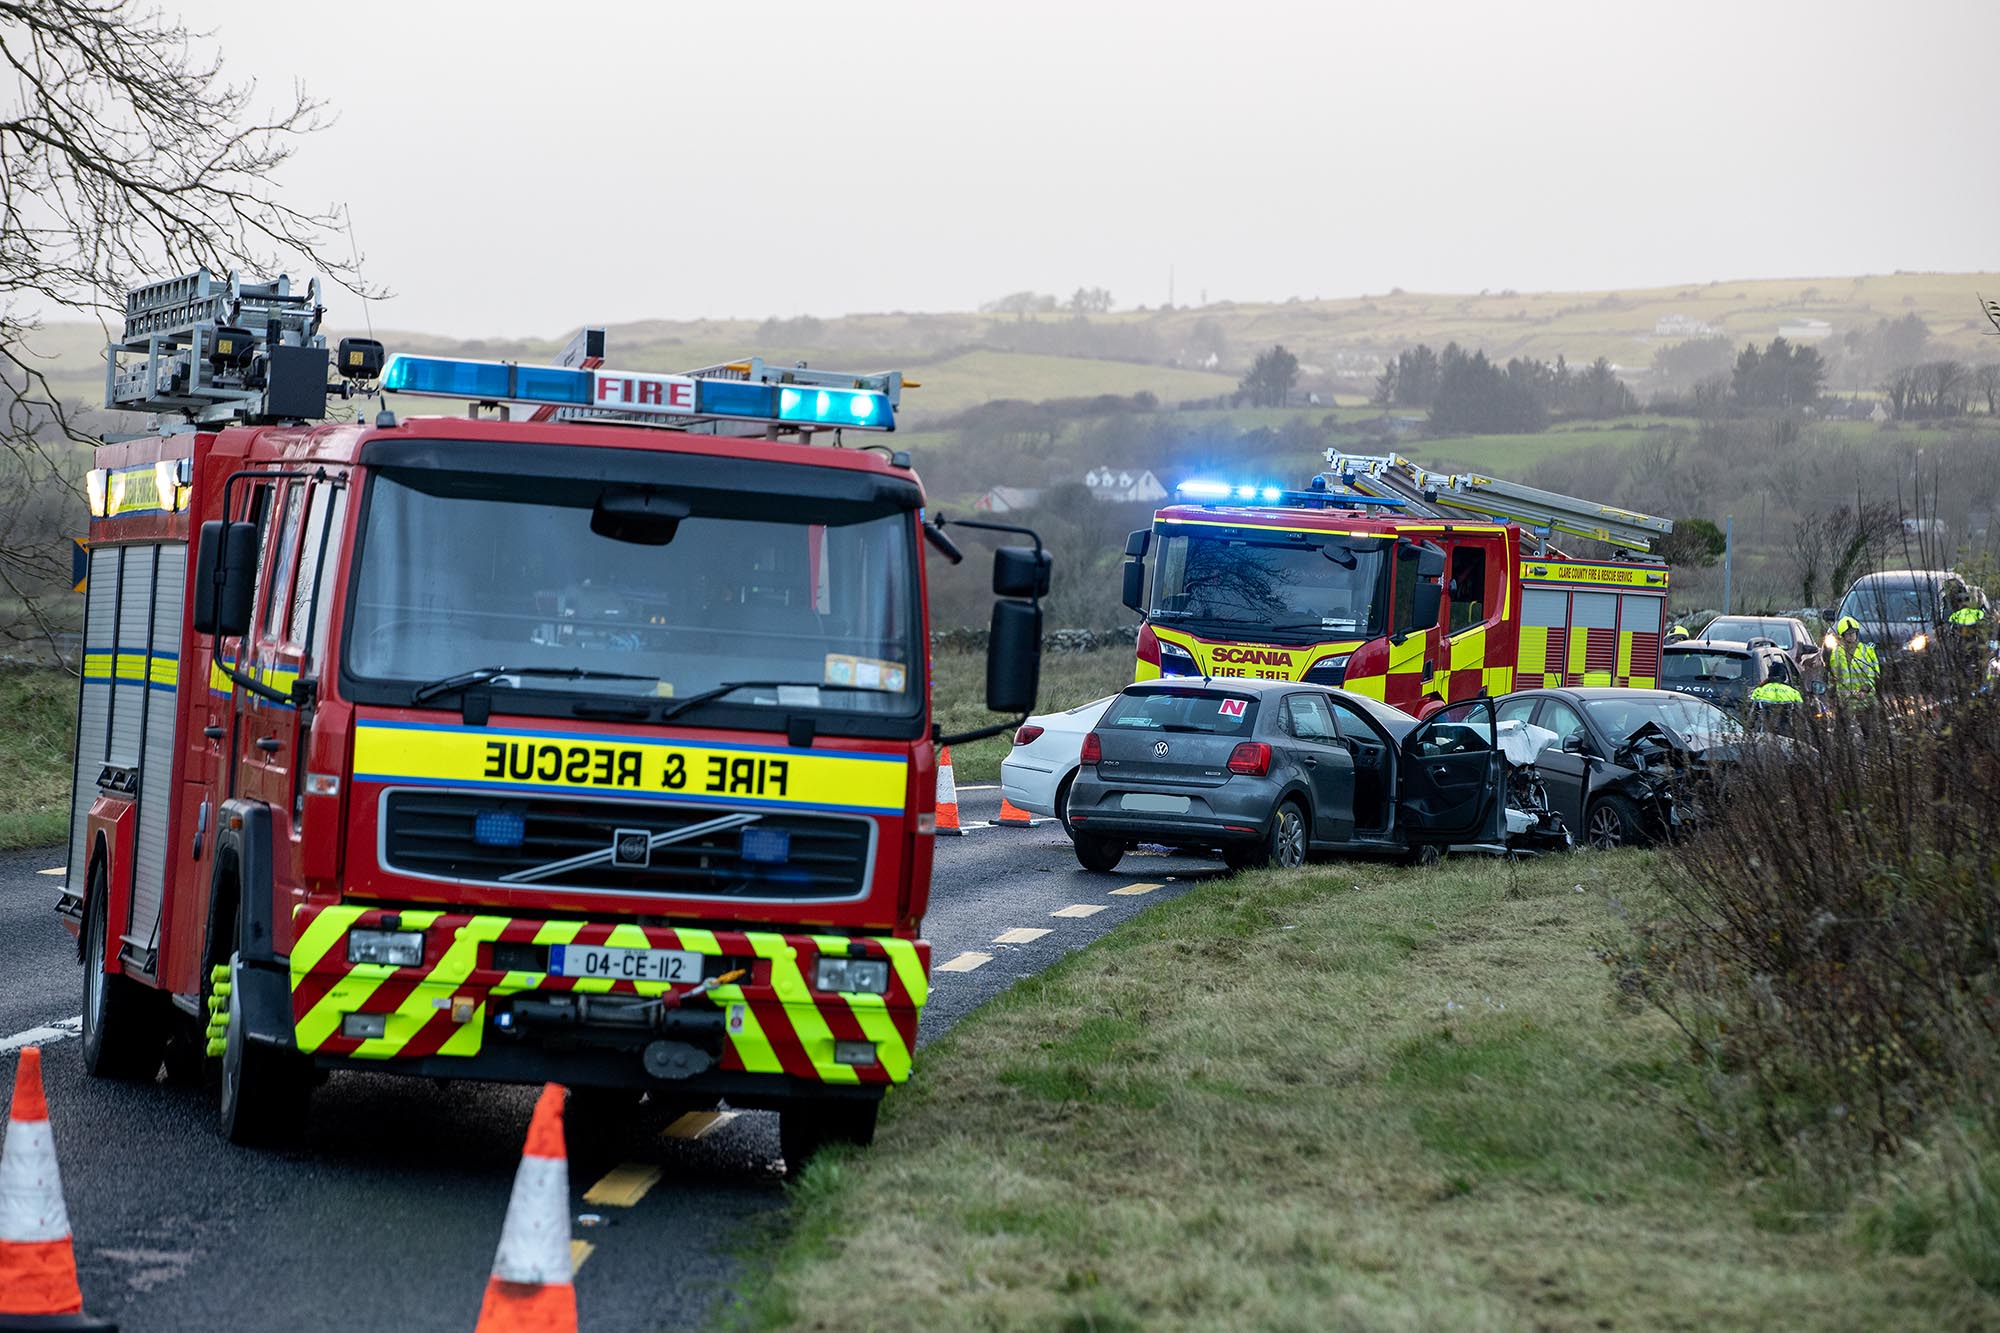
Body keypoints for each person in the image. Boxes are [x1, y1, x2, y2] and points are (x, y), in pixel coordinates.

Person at [1828, 616, 1880, 704]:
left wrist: (1865, 689)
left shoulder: (1867, 651)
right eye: (1848, 633)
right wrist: (1832, 695)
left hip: (1866, 699)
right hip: (1844, 701)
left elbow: (1874, 674)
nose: (1851, 635)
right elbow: (1833, 676)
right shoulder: (1836, 653)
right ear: (1843, 635)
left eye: (1853, 632)